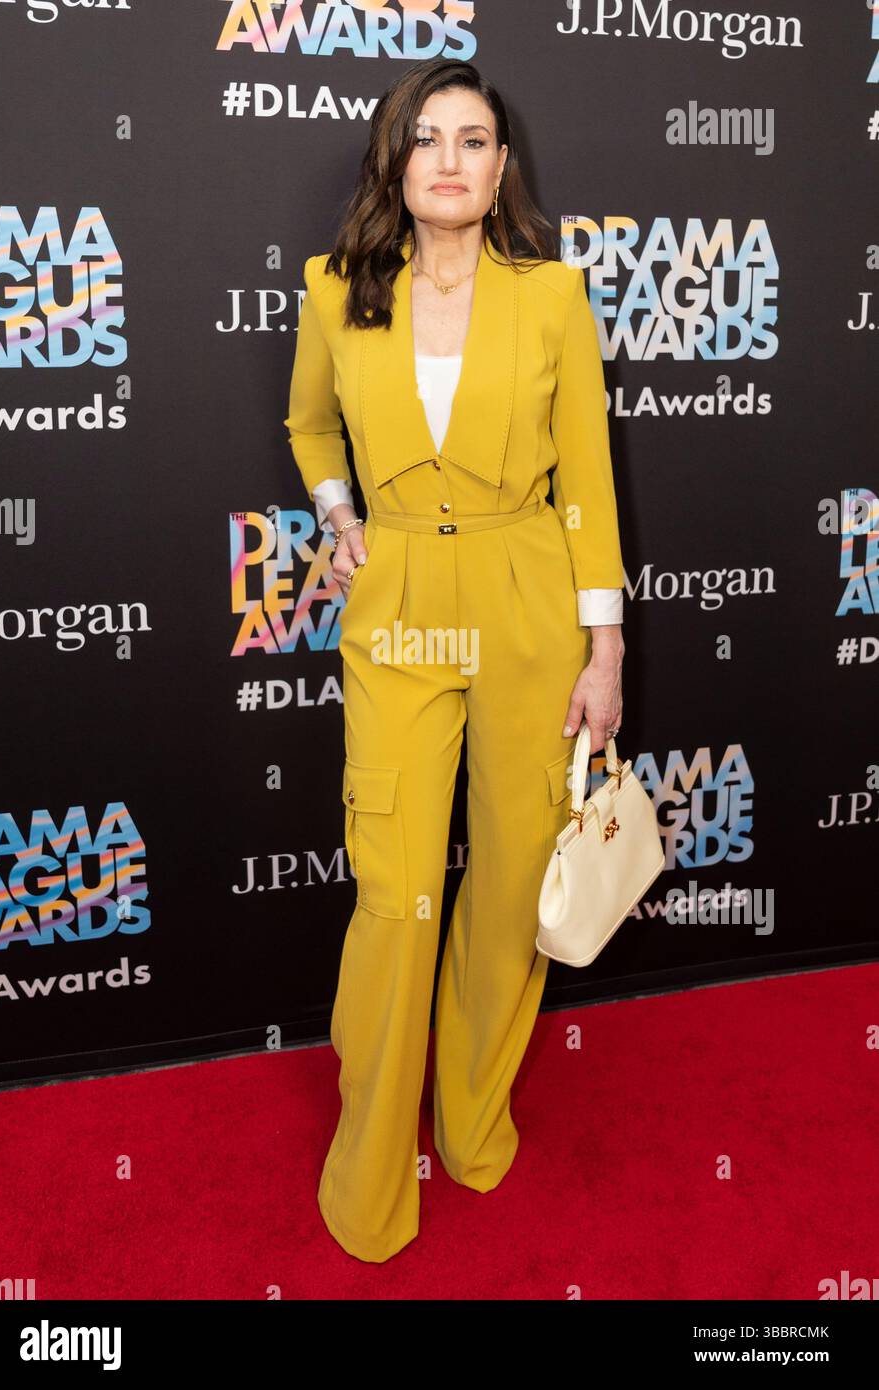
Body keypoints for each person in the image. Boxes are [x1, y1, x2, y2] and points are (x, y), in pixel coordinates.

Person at [284, 56, 626, 1263]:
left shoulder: (552, 295)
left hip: (527, 592)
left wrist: (606, 645)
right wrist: (339, 519)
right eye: (426, 136)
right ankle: (371, 1160)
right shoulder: (337, 291)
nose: (448, 158)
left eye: (473, 138)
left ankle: (474, 1117)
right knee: (396, 888)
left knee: (510, 878)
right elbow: (309, 422)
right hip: (399, 600)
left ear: (500, 166)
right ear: (396, 158)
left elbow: (585, 470)